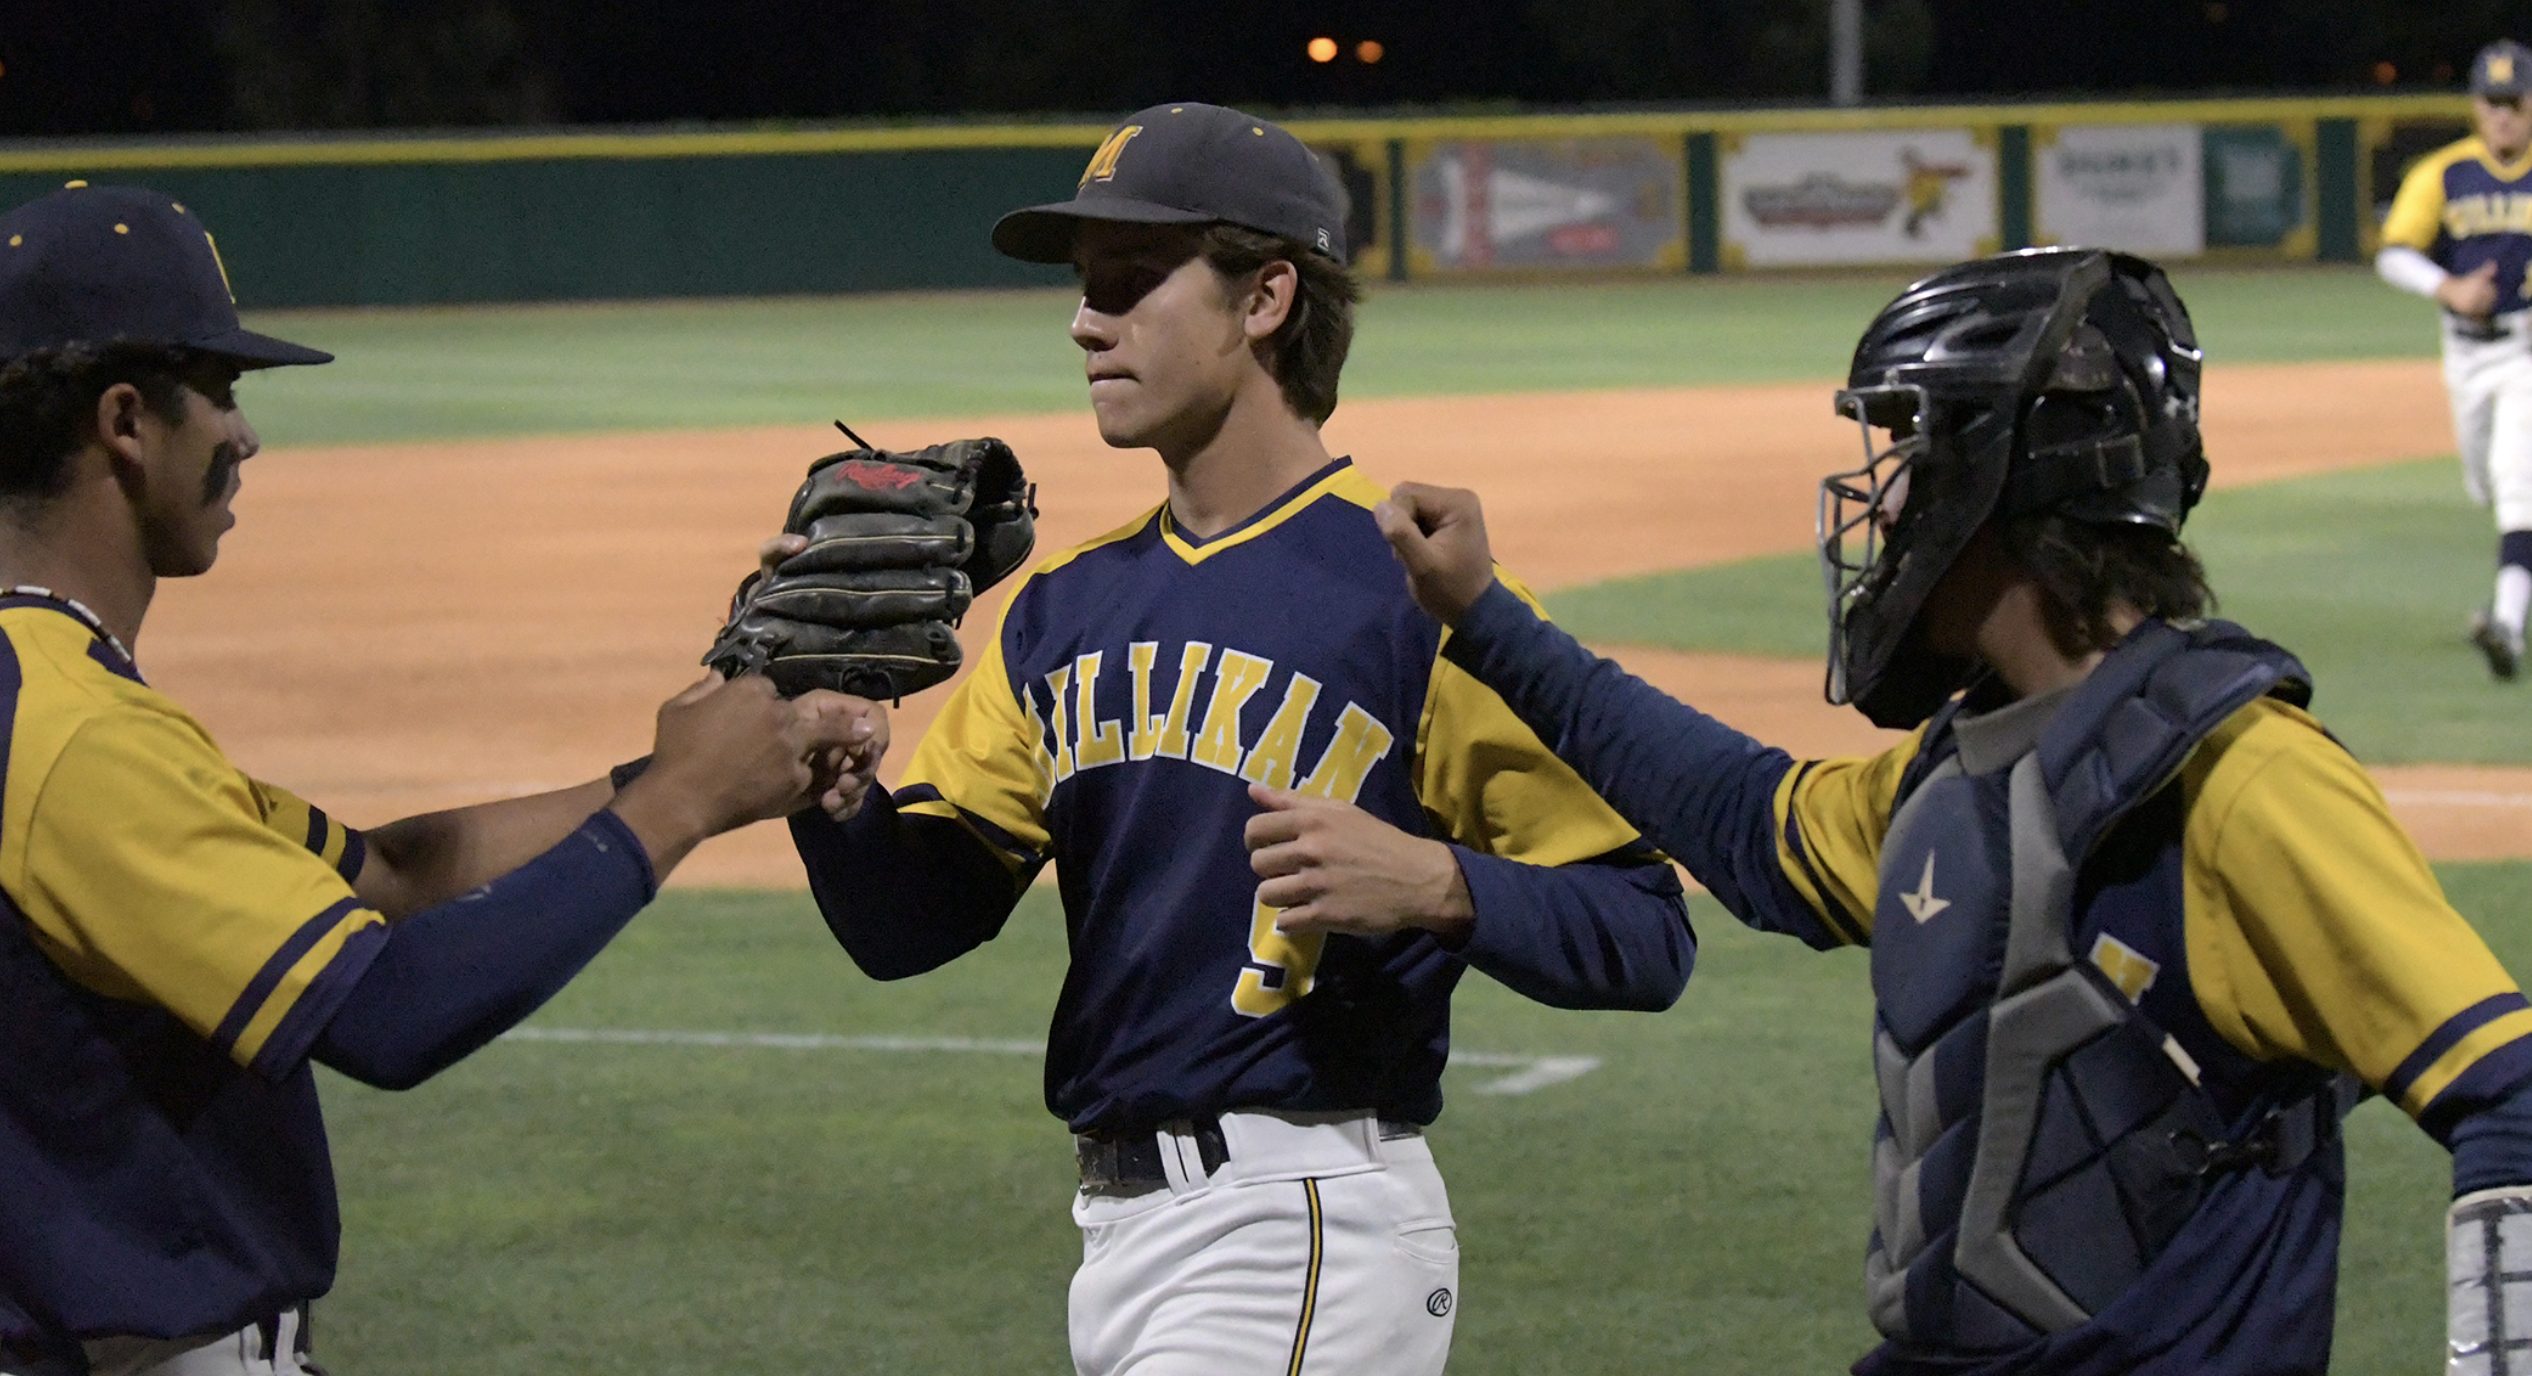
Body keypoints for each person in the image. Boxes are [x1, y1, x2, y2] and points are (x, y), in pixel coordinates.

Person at [1365, 247, 2532, 1374]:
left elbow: (2508, 1093)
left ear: (2007, 475)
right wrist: (1489, 618)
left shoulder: (2239, 774)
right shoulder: (1966, 769)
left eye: (1917, 448)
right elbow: (1746, 821)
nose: (1890, 495)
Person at [776, 103, 1694, 1376]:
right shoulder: (1063, 610)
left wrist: (1439, 885)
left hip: (1305, 1220)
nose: (1086, 321)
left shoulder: (1414, 595)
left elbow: (1647, 933)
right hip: (1119, 1244)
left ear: (1266, 298)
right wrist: (827, 786)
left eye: (1131, 282)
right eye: (1086, 290)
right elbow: (907, 923)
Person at [0, 182, 878, 1375]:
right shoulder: (73, 734)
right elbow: (386, 1008)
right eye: (221, 390)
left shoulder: (41, 693)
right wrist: (677, 806)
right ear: (123, 420)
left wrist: (704, 755)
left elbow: (394, 872)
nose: (244, 435)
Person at [2377, 38, 2532, 681]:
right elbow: (2393, 253)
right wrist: (2449, 289)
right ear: (2475, 106)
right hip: (2465, 357)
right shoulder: (2443, 173)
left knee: (2518, 483)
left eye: (2514, 103)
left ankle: (2508, 624)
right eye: (2492, 103)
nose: (2503, 116)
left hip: (2526, 348)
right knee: (2486, 484)